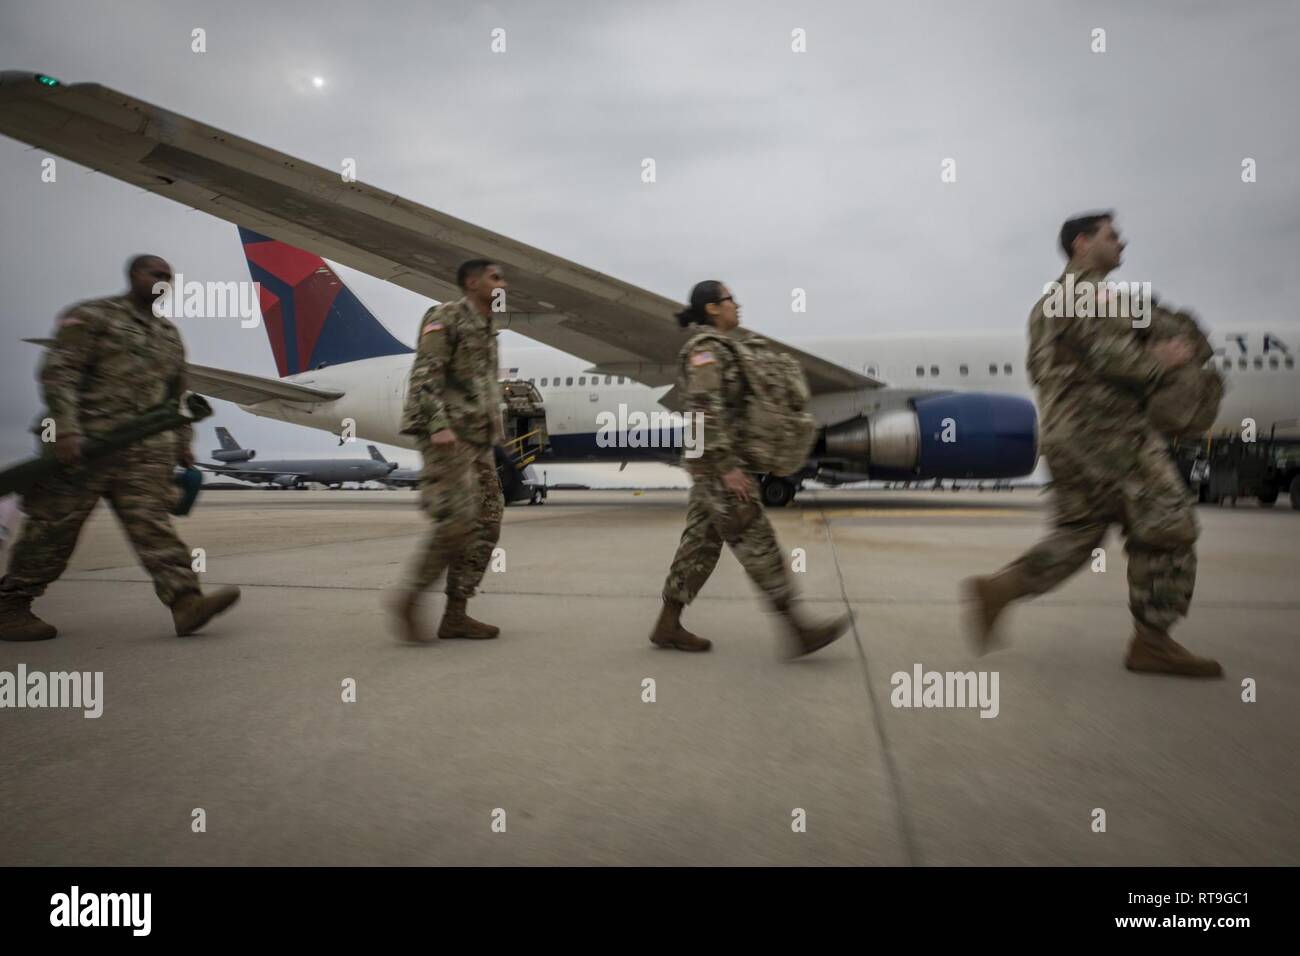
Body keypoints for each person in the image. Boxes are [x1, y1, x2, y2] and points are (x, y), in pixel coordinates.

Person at [963, 214, 1221, 677]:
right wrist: (1158, 360)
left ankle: (1001, 589)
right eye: (1111, 234)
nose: (1122, 241)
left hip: (1065, 435)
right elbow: (1112, 357)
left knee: (1078, 534)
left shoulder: (1046, 305)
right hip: (1112, 434)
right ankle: (1153, 641)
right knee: (1171, 528)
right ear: (1082, 243)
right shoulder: (1095, 293)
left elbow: (1047, 369)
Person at [0, 255, 240, 641]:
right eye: (154, 274)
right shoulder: (93, 316)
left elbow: (175, 395)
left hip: (144, 451)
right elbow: (60, 372)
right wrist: (65, 429)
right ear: (134, 276)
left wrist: (182, 443)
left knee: (153, 526)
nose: (162, 281)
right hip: (84, 447)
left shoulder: (168, 335)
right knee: (54, 528)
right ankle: (11, 605)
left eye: (168, 277)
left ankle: (185, 602)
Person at [651, 280, 849, 656]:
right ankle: (798, 628)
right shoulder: (707, 351)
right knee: (758, 543)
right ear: (712, 308)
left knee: (699, 546)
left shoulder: (726, 349)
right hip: (718, 467)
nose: (736, 305)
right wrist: (726, 468)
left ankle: (667, 624)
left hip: (712, 465)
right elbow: (702, 409)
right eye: (730, 300)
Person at [388, 259, 506, 642]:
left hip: (477, 440)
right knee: (456, 520)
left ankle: (456, 613)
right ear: (472, 282)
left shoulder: (489, 329)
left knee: (487, 523)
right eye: (495, 277)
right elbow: (426, 372)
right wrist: (437, 425)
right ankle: (409, 597)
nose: (502, 283)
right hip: (448, 436)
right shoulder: (446, 316)